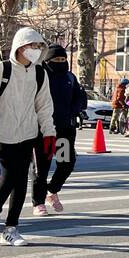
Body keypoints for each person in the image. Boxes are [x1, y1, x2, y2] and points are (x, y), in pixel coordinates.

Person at [0, 27, 56, 246]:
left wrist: (49, 133)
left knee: (20, 180)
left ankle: (11, 228)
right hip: (2, 133)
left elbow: (45, 106)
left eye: (39, 47)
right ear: (20, 47)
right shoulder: (2, 70)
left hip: (28, 133)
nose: (36, 51)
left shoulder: (40, 73)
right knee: (9, 177)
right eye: (32, 46)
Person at [31, 44, 86, 216]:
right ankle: (38, 202)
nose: (60, 62)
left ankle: (52, 190)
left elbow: (79, 97)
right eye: (56, 60)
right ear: (47, 60)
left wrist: (74, 110)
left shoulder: (70, 77)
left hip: (64, 129)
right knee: (42, 168)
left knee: (66, 163)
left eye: (63, 59)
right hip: (43, 129)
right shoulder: (41, 76)